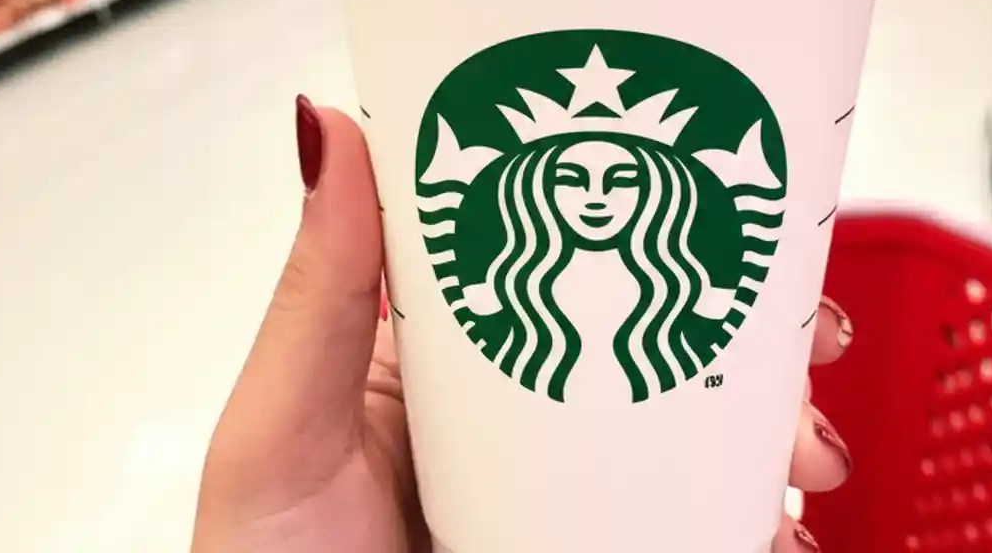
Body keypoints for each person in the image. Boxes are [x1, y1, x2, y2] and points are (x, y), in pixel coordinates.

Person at [190, 98, 855, 553]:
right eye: (572, 178)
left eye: (621, 178)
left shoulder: (676, 299)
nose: (596, 198)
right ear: (535, 189)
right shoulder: (522, 295)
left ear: (659, 190)